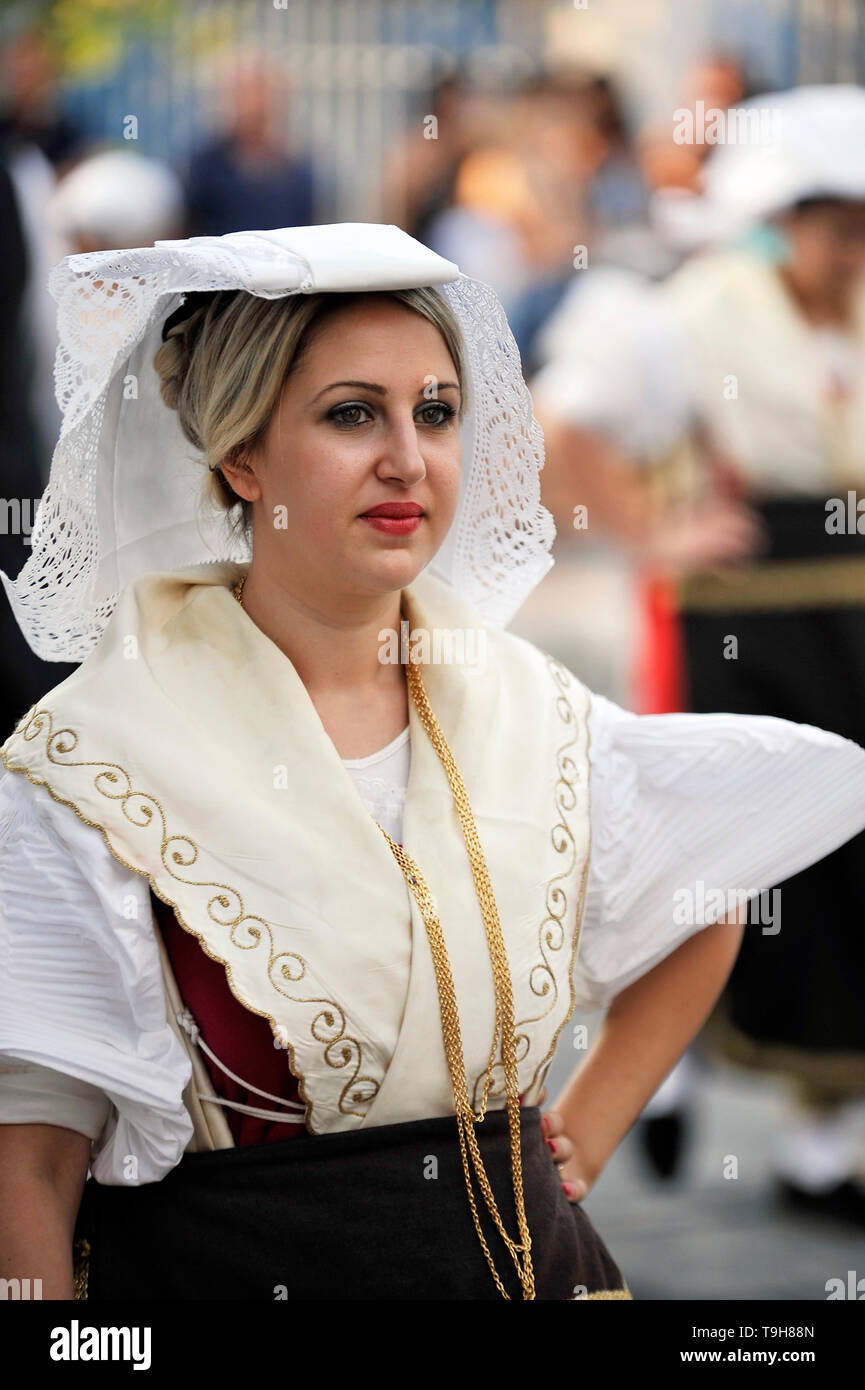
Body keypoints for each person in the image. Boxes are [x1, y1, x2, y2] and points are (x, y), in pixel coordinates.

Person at [1, 224, 864, 1302]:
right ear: (241, 452)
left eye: (438, 413)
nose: (407, 458)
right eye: (351, 413)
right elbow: (31, 1163)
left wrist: (581, 1135)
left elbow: (708, 881)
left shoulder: (524, 704)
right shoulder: (97, 757)